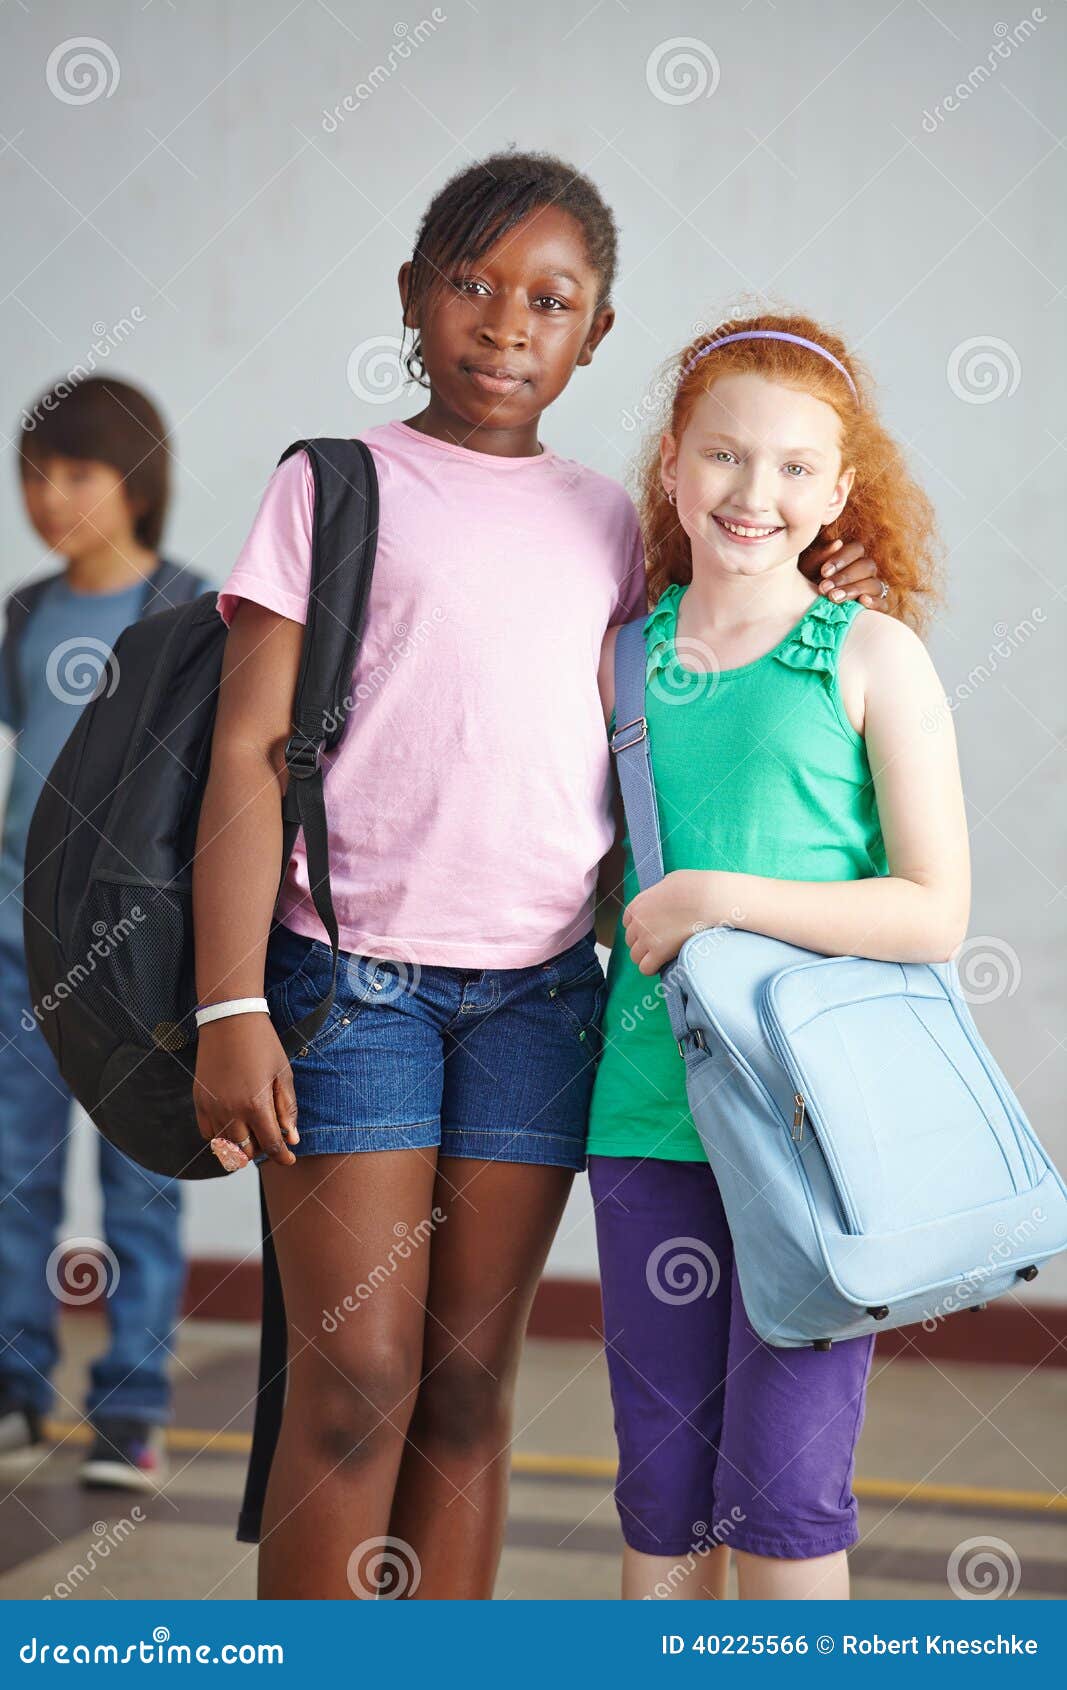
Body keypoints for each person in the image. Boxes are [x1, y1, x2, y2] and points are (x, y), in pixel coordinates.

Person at [192, 153, 888, 1600]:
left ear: (596, 330)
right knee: (354, 1377)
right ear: (411, 296)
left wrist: (840, 599)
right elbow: (249, 752)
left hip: (541, 1001)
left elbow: (715, 656)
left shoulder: (612, 526)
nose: (506, 324)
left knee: (463, 1385)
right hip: (348, 989)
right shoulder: (332, 485)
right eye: (471, 283)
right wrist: (228, 1005)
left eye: (550, 300)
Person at [587, 312, 966, 1601]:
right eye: (723, 454)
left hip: (819, 1131)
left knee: (783, 1502)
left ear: (838, 490)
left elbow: (931, 912)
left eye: (795, 466)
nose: (754, 492)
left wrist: (714, 897)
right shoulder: (620, 661)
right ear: (671, 465)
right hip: (647, 1115)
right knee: (660, 1495)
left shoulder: (869, 656)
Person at [0, 376, 208, 1492]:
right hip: (15, 946)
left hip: (138, 956)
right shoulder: (24, 614)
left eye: (74, 472)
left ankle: (131, 1409)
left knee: (140, 1180)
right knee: (12, 1170)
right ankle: (16, 1384)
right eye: (32, 475)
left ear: (135, 480)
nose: (48, 497)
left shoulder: (191, 609)